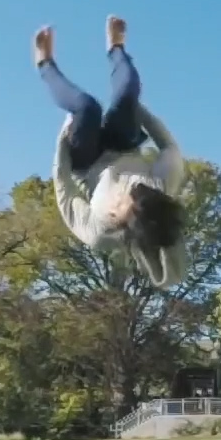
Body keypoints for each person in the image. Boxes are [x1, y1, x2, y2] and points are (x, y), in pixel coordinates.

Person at [35, 15, 187, 287]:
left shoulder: (98, 233)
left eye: (126, 202)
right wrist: (135, 109)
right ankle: (116, 47)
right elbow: (168, 145)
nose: (127, 191)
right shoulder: (165, 182)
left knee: (87, 107)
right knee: (127, 92)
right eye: (140, 189)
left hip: (88, 161)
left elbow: (65, 194)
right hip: (124, 143)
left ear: (127, 223)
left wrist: (62, 143)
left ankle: (45, 64)